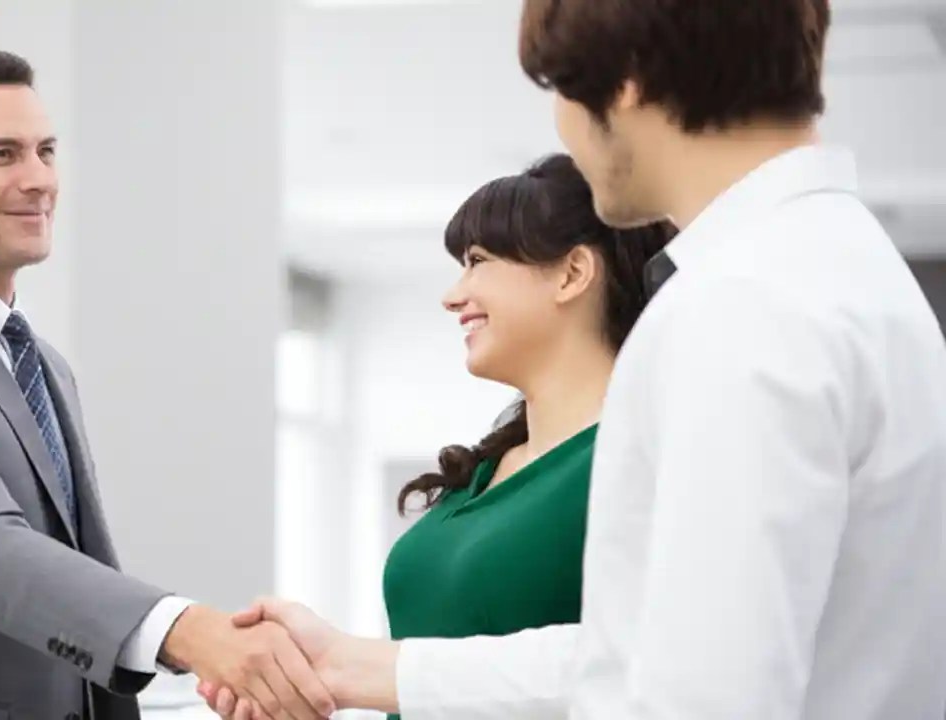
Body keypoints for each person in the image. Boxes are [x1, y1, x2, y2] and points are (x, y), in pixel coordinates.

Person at [203, 1, 946, 718]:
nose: (562, 123)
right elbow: (650, 652)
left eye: (558, 88)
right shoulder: (849, 271)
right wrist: (353, 666)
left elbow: (699, 697)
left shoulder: (740, 305)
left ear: (623, 82)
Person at [0, 47, 332, 720]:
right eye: (1, 155)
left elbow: (66, 583)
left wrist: (207, 661)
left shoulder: (42, 362)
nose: (39, 179)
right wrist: (189, 633)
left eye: (45, 151)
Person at [201, 154, 672, 720]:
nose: (453, 295)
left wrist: (340, 670)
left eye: (477, 261)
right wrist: (306, 694)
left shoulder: (642, 460)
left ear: (572, 274)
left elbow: (648, 673)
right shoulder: (481, 474)